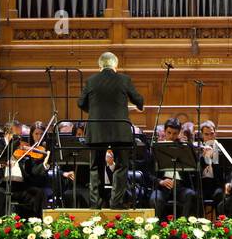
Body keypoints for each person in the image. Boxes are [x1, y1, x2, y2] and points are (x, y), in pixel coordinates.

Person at [78, 52, 145, 209]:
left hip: (97, 130)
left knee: (95, 166)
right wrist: (139, 105)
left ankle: (96, 203)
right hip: (120, 129)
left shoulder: (91, 80)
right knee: (121, 166)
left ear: (99, 65)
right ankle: (116, 203)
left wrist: (94, 112)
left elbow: (81, 103)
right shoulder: (124, 79)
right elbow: (138, 99)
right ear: (116, 65)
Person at [0, 123, 47, 217]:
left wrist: (43, 163)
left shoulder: (21, 147)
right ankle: (0, 224)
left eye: (20, 135)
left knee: (38, 193)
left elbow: (31, 170)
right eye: (16, 135)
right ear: (7, 133)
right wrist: (0, 163)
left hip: (20, 186)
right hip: (2, 184)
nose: (19, 138)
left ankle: (34, 223)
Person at [150, 119, 201, 217]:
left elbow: (194, 168)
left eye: (175, 133)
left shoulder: (184, 148)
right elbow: (148, 174)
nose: (171, 136)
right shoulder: (156, 149)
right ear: (164, 132)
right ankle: (160, 228)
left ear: (179, 133)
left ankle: (183, 226)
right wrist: (161, 181)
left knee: (191, 195)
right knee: (155, 199)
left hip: (180, 186)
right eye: (169, 133)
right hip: (162, 187)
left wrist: (187, 148)